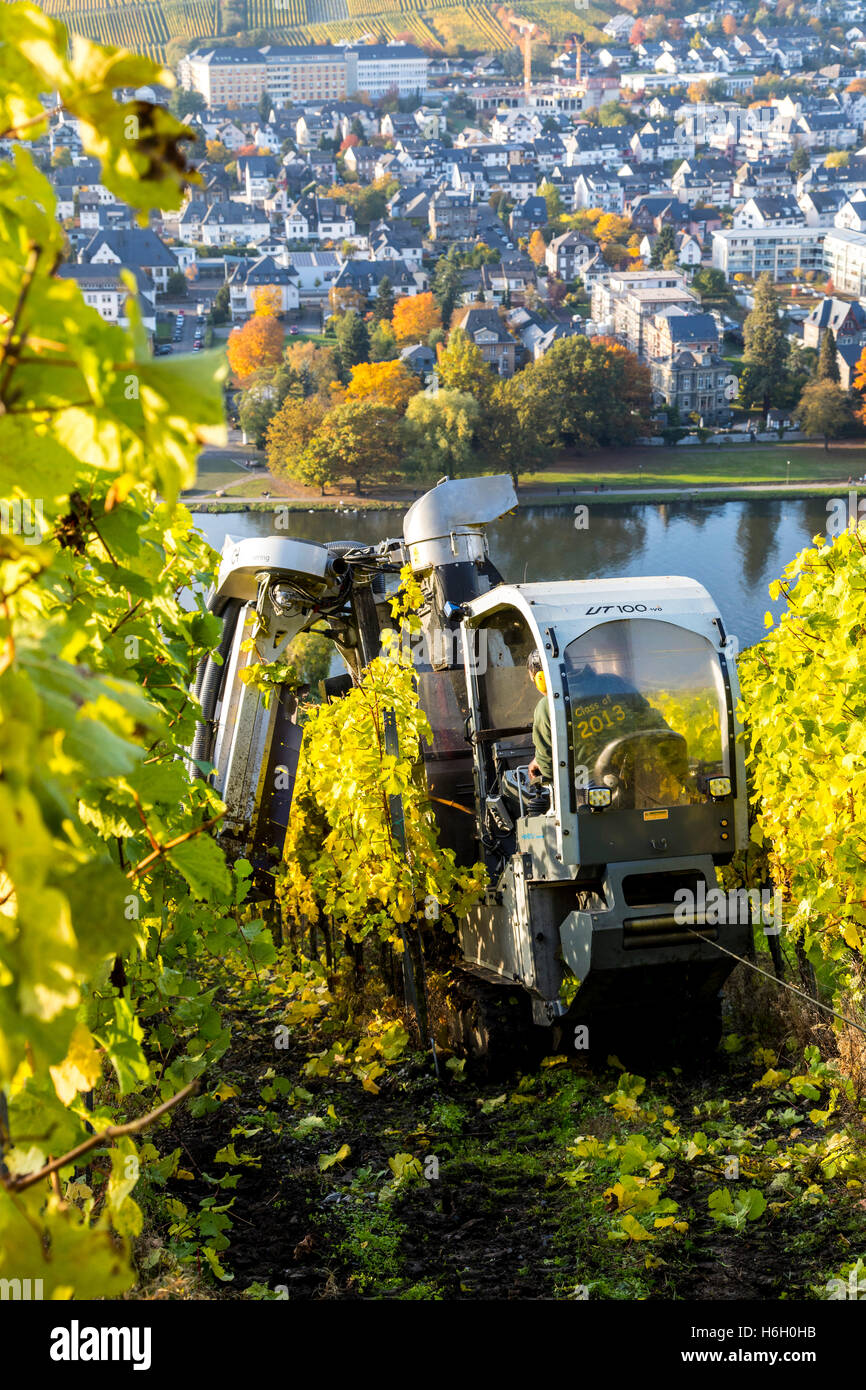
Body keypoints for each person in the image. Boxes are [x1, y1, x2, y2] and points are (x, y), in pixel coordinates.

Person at [526, 650, 670, 786]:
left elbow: (549, 768)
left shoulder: (548, 706)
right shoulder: (613, 682)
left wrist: (539, 762)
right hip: (643, 778)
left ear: (542, 679)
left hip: (590, 793)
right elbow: (655, 723)